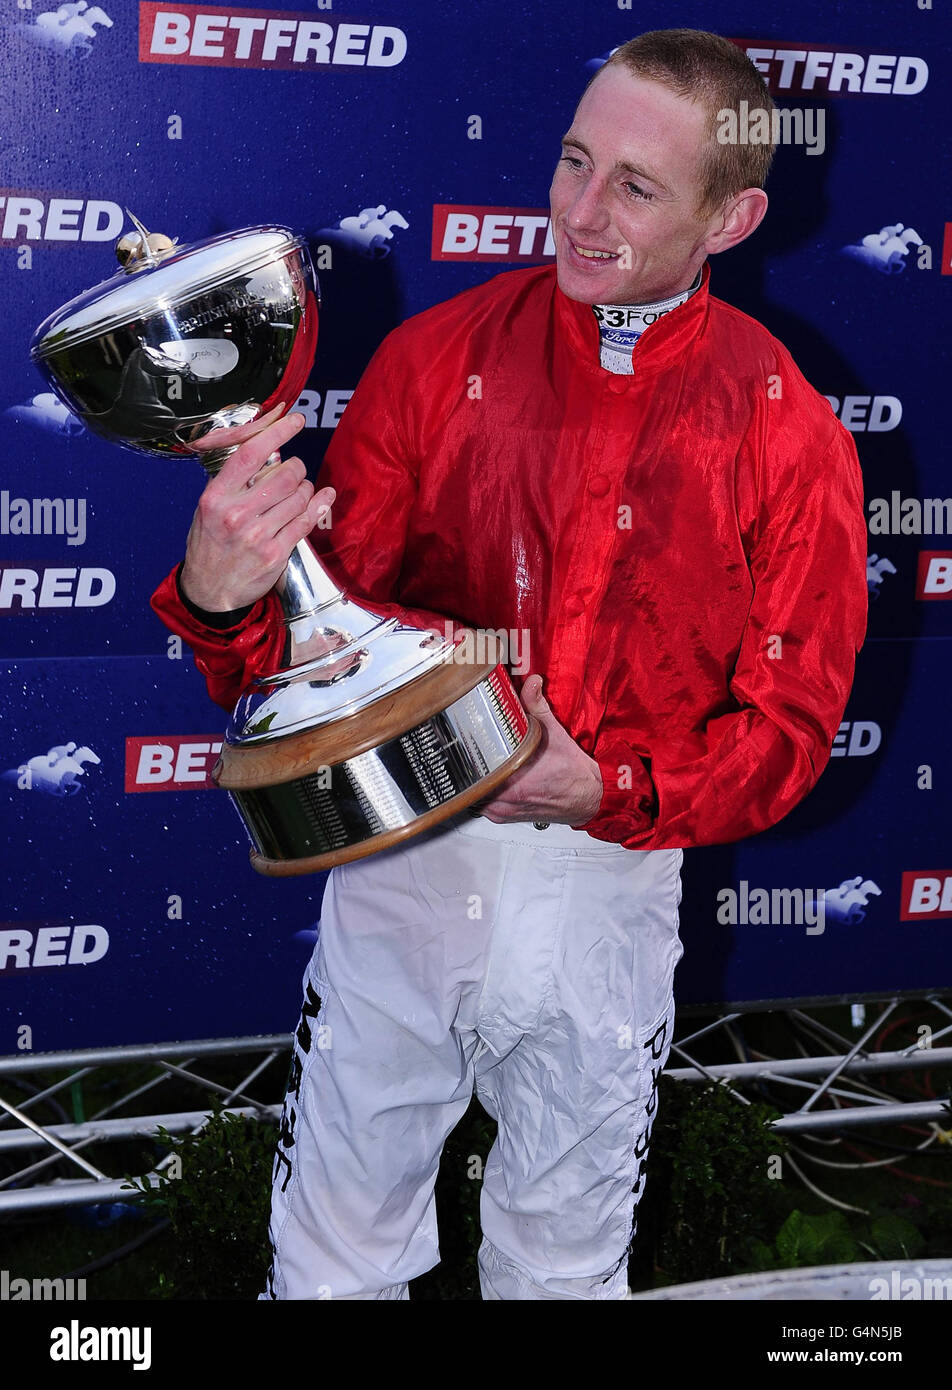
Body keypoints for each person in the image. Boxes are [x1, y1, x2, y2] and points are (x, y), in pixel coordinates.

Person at [151, 29, 868, 1300]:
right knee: (329, 1269)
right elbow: (303, 662)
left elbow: (792, 734)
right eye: (572, 162)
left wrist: (612, 788)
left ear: (734, 214)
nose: (579, 215)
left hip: (613, 895)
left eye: (635, 188)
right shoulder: (434, 361)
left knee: (564, 1271)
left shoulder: (792, 430)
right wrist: (219, 595)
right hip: (407, 864)